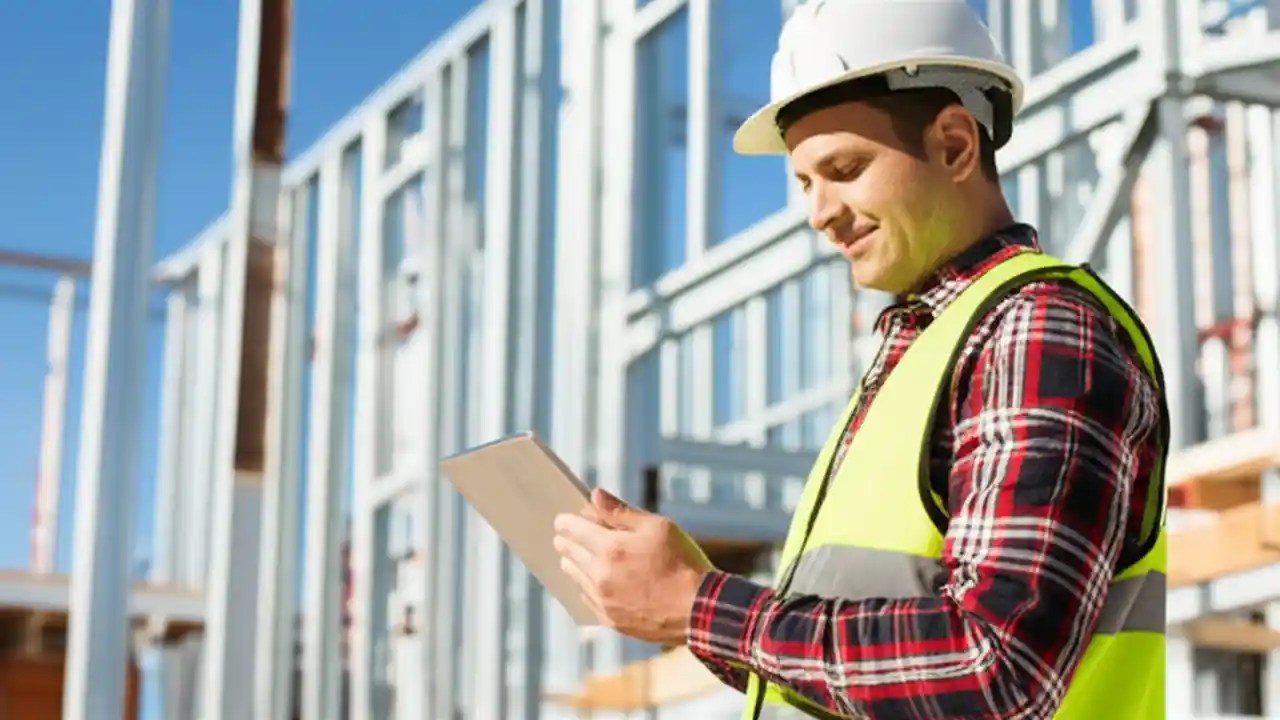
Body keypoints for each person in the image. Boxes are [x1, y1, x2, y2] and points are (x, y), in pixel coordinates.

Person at [552, 1, 1169, 718]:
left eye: (843, 169)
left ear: (955, 146)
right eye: (805, 183)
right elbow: (872, 678)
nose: (819, 212)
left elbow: (997, 668)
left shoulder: (1038, 329)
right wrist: (681, 599)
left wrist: (700, 603)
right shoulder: (921, 353)